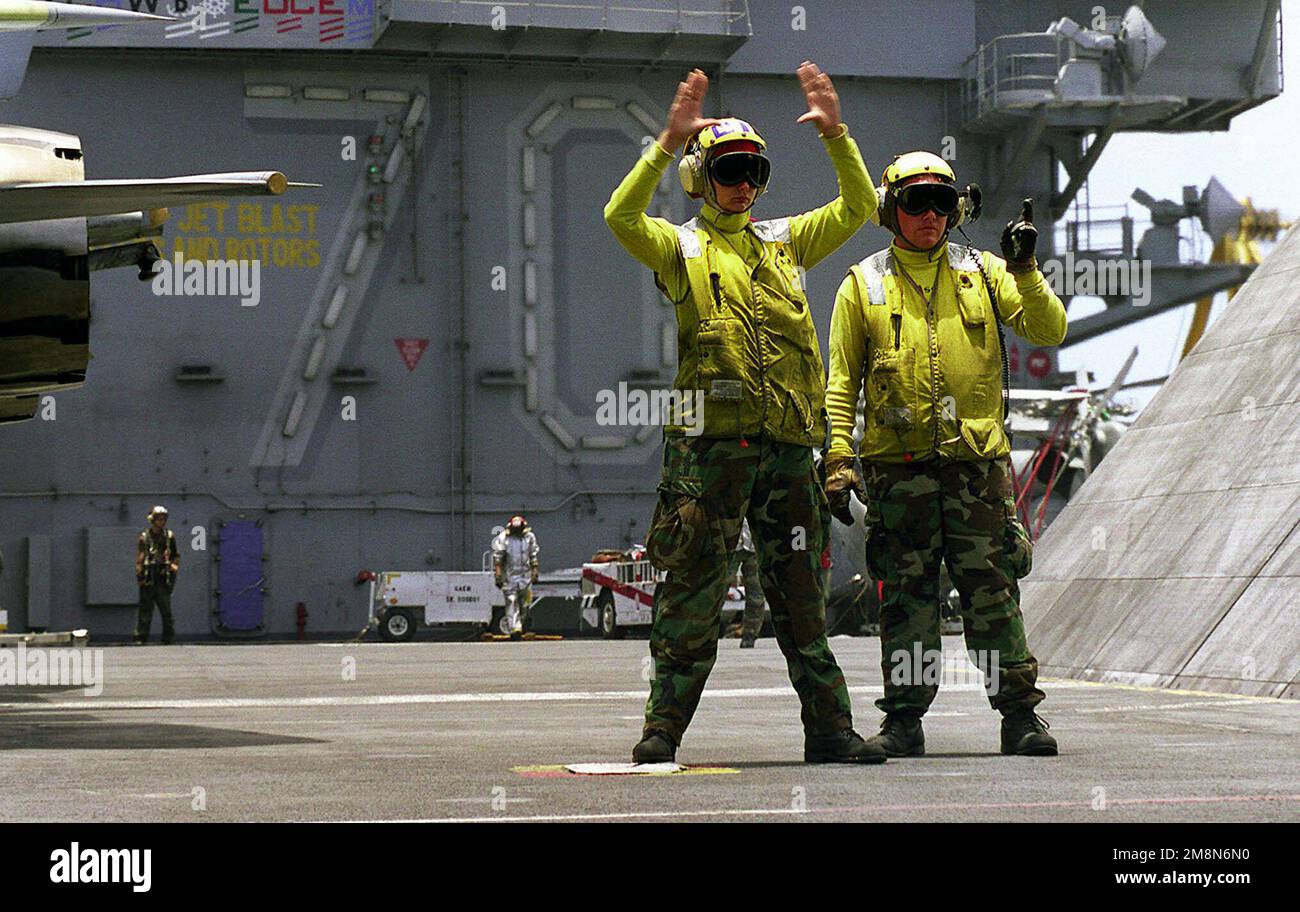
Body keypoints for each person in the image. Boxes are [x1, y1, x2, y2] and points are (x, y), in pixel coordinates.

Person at [604, 63, 885, 764]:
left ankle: (830, 732)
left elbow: (856, 207)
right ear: (703, 179)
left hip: (788, 453)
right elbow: (620, 217)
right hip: (708, 456)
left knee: (801, 602)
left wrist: (837, 135)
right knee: (692, 598)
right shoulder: (682, 246)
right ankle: (662, 731)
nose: (743, 185)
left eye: (753, 173)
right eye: (729, 172)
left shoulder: (786, 242)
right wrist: (665, 145)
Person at [823, 150, 1065, 757]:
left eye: (942, 202)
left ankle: (1019, 717)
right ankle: (904, 720)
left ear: (956, 208)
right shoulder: (862, 285)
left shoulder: (986, 272)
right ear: (889, 209)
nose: (930, 214)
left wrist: (1026, 267)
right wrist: (838, 460)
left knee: (993, 590)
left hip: (976, 470)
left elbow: (1049, 328)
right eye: (915, 201)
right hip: (897, 472)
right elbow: (840, 384)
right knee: (906, 600)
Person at [135, 505, 179, 645]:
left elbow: (175, 555)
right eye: (158, 519)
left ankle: (168, 638)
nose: (161, 522)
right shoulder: (145, 537)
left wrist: (173, 567)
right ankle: (141, 638)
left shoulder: (169, 537)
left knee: (166, 611)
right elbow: (140, 559)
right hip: (149, 577)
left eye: (163, 519)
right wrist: (140, 577)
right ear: (152, 520)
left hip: (162, 577)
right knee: (145, 611)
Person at [491, 515, 539, 636]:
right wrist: (498, 575)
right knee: (511, 601)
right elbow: (498, 559)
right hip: (509, 577)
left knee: (525, 605)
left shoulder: (529, 537)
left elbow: (533, 555)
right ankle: (514, 629)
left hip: (525, 577)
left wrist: (535, 571)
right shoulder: (503, 538)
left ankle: (520, 625)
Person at [728, 518, 765, 648]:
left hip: (755, 544)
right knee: (717, 590)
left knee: (756, 593)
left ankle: (750, 634)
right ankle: (709, 634)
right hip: (732, 543)